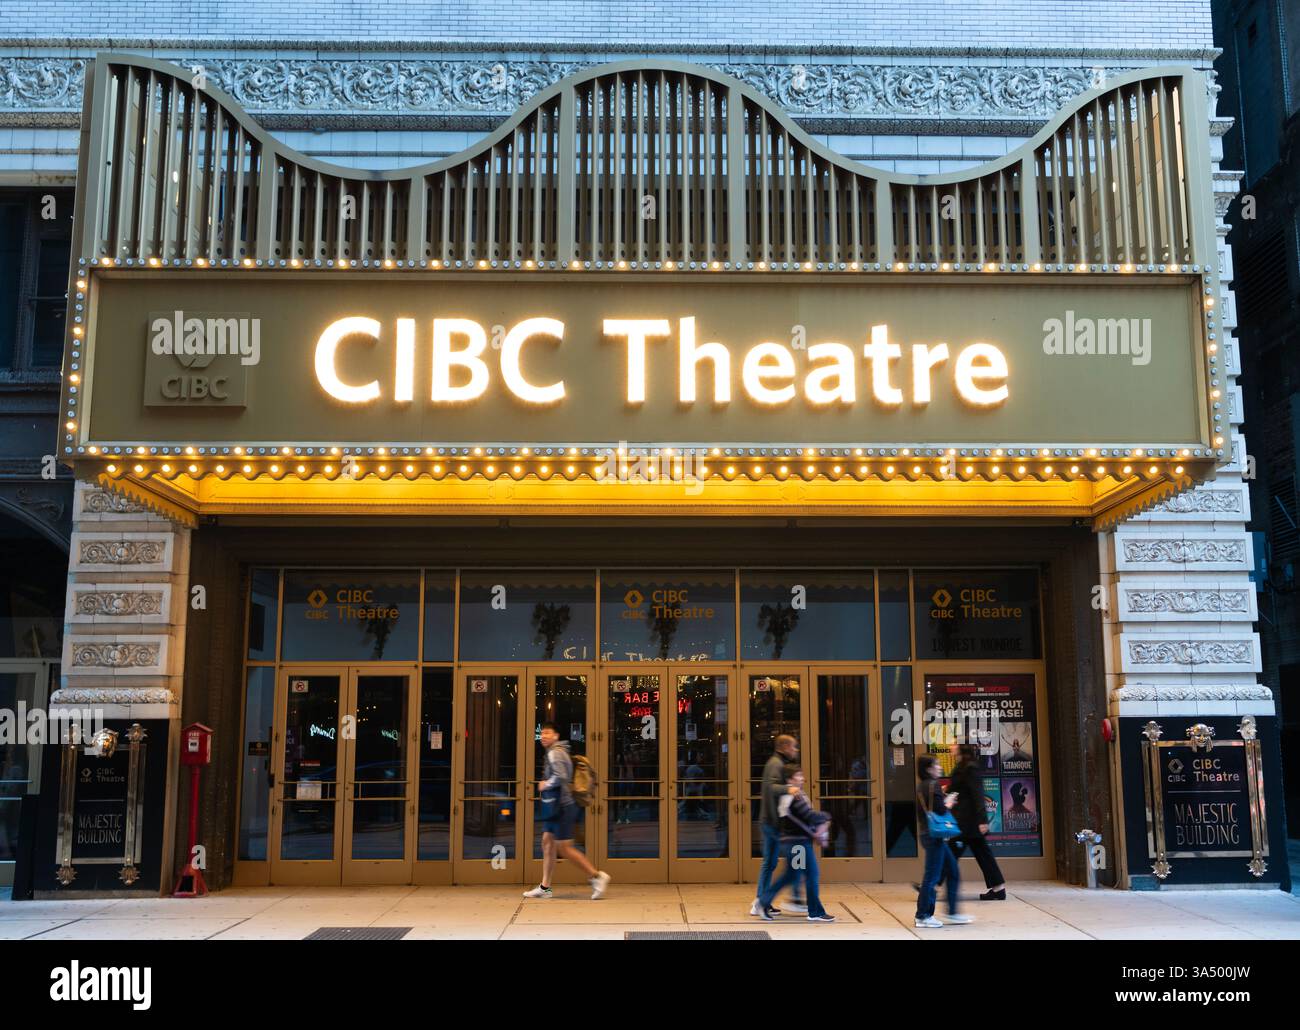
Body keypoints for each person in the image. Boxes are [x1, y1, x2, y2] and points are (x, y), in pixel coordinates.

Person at [523, 723, 611, 900]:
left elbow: (561, 777)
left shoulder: (556, 752)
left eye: (548, 733)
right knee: (547, 842)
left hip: (562, 806)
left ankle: (597, 876)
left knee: (564, 847)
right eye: (542, 733)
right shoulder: (555, 751)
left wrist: (545, 784)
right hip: (557, 805)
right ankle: (545, 887)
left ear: (556, 736)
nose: (544, 736)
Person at [758, 767, 836, 922]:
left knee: (792, 875)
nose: (802, 779)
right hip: (798, 844)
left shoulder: (792, 795)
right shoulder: (793, 795)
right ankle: (815, 911)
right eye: (797, 776)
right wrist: (826, 816)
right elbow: (808, 815)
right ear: (789, 780)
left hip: (796, 843)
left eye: (801, 775)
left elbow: (805, 817)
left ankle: (764, 902)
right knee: (809, 874)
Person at [750, 733, 806, 916]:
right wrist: (789, 788)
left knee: (771, 862)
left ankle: (762, 900)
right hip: (773, 823)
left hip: (770, 822)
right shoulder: (776, 764)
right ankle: (794, 898)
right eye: (793, 747)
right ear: (784, 747)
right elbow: (772, 788)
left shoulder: (776, 763)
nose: (795, 750)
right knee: (796, 859)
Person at [914, 754, 972, 928]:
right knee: (931, 876)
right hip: (934, 836)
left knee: (952, 870)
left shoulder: (922, 786)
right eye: (937, 765)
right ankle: (923, 916)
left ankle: (952, 912)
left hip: (929, 834)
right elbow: (939, 810)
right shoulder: (933, 785)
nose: (940, 767)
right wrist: (949, 801)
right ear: (928, 768)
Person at [948, 742, 1007, 900]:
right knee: (979, 854)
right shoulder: (962, 766)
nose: (951, 747)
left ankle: (931, 885)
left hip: (970, 821)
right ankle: (998, 888)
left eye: (954, 744)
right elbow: (957, 789)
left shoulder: (970, 768)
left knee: (952, 852)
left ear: (961, 749)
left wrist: (982, 821)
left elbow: (978, 795)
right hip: (965, 821)